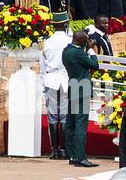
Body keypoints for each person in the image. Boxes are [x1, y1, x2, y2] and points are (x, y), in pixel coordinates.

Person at [62, 28, 100, 168]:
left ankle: (72, 156)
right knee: (80, 125)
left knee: (71, 123)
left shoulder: (66, 51)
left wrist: (84, 49)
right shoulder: (79, 52)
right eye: (86, 40)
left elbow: (78, 59)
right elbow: (95, 65)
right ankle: (81, 158)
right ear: (82, 41)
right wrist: (90, 50)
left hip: (72, 86)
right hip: (82, 88)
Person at [41, 12, 72, 160]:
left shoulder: (47, 42)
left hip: (51, 78)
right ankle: (64, 149)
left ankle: (55, 150)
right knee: (65, 114)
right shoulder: (69, 40)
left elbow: (43, 65)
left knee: (53, 115)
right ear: (65, 24)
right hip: (65, 78)